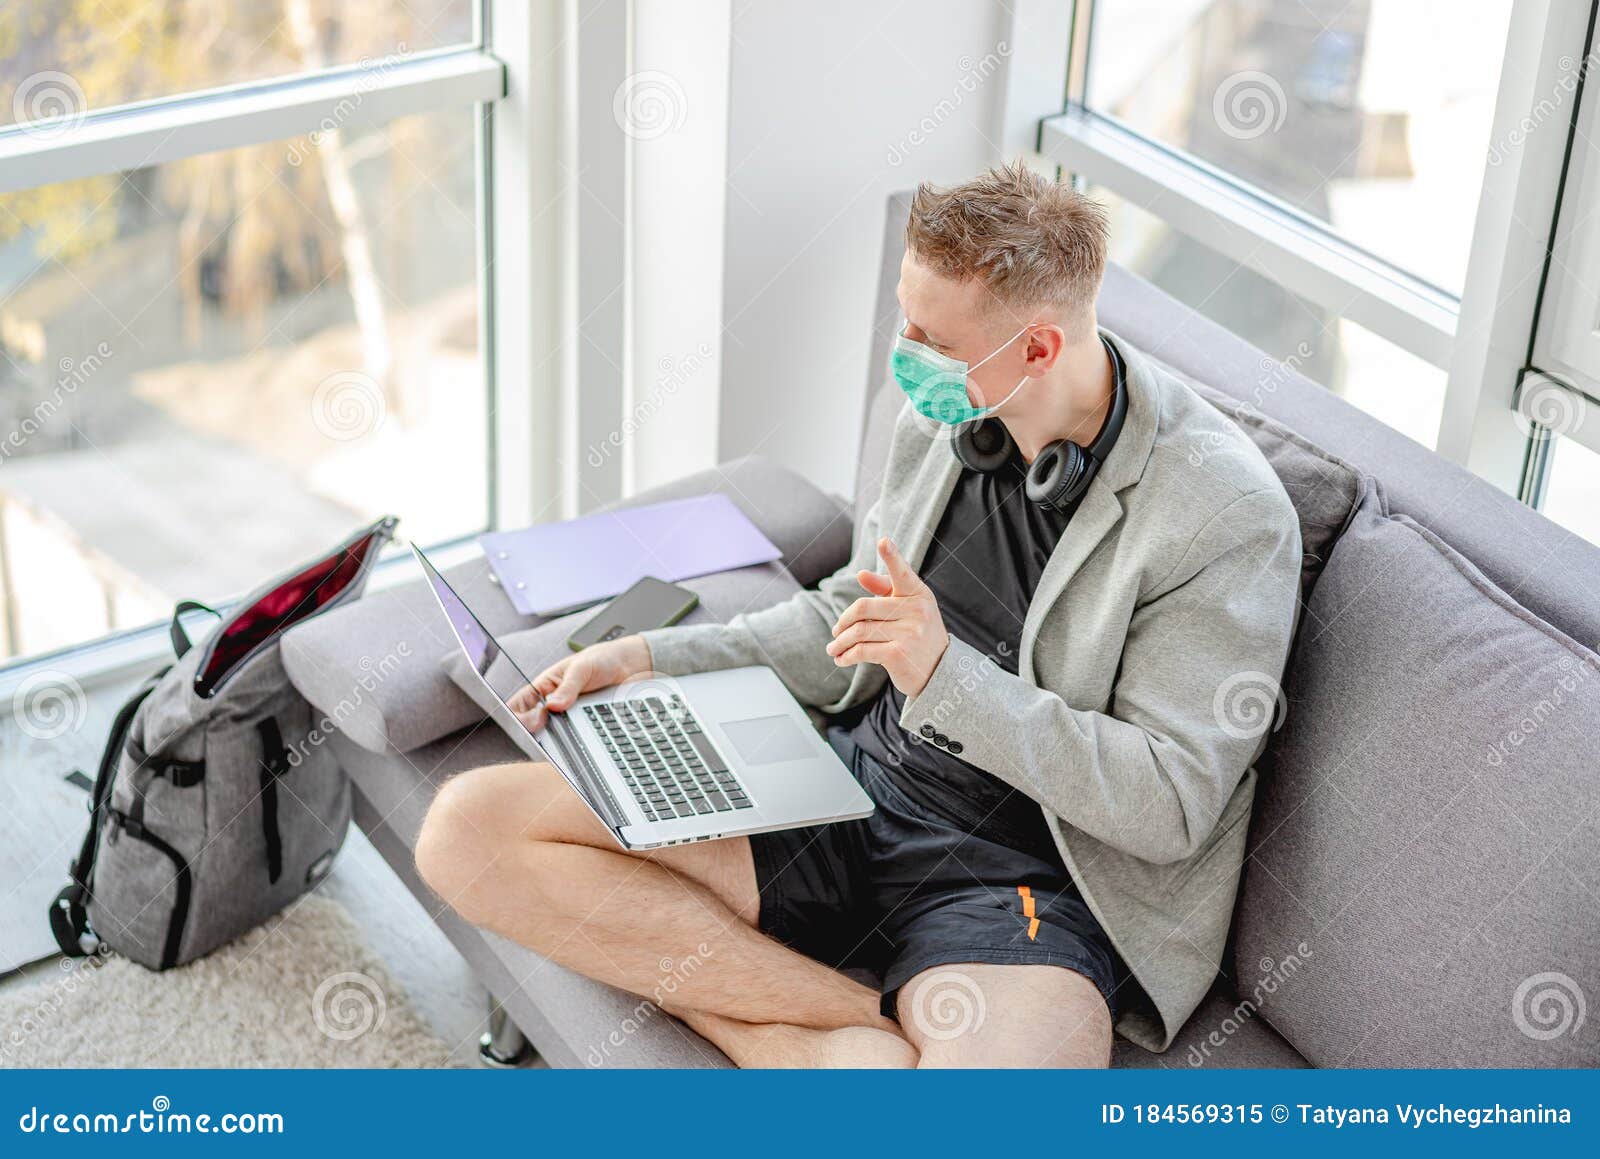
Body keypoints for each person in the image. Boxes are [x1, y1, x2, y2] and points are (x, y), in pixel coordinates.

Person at [415, 161, 1302, 1068]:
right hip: (840, 792)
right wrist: (650, 656)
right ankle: (837, 1016)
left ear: (1038, 348)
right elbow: (850, 616)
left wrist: (946, 677)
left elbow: (1169, 802)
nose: (904, 350)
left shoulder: (1222, 516)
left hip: (1021, 885)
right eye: (904, 317)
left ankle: (757, 1025)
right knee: (468, 829)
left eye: (931, 337)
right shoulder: (945, 414)